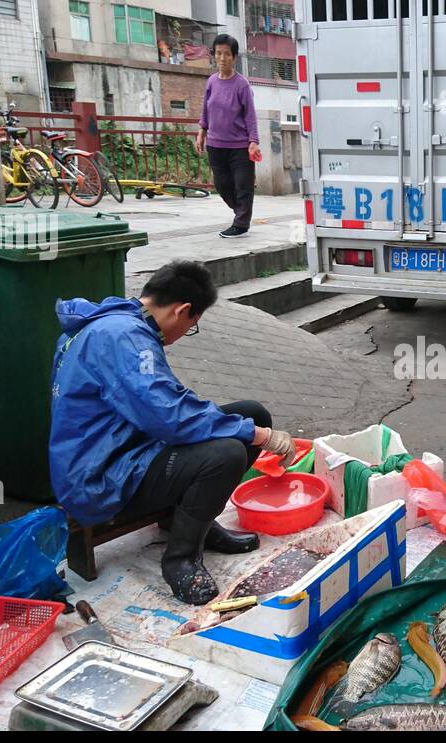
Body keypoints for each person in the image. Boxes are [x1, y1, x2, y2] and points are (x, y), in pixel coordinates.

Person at [49, 260, 298, 605]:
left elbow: (164, 404)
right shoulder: (125, 338)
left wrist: (250, 426)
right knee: (228, 451)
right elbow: (171, 417)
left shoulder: (117, 322)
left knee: (251, 414)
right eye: (191, 325)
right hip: (100, 476)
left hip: (125, 449)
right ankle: (180, 559)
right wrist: (258, 436)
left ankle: (195, 521)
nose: (184, 335)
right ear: (182, 310)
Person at [195, 34, 262, 239]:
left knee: (243, 185)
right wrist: (201, 132)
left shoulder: (242, 85)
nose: (222, 58)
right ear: (214, 56)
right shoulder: (211, 82)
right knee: (222, 185)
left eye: (227, 54)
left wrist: (253, 141)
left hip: (240, 146)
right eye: (218, 53)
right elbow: (206, 110)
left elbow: (250, 116)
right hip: (216, 144)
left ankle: (241, 223)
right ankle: (241, 213)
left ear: (234, 57)